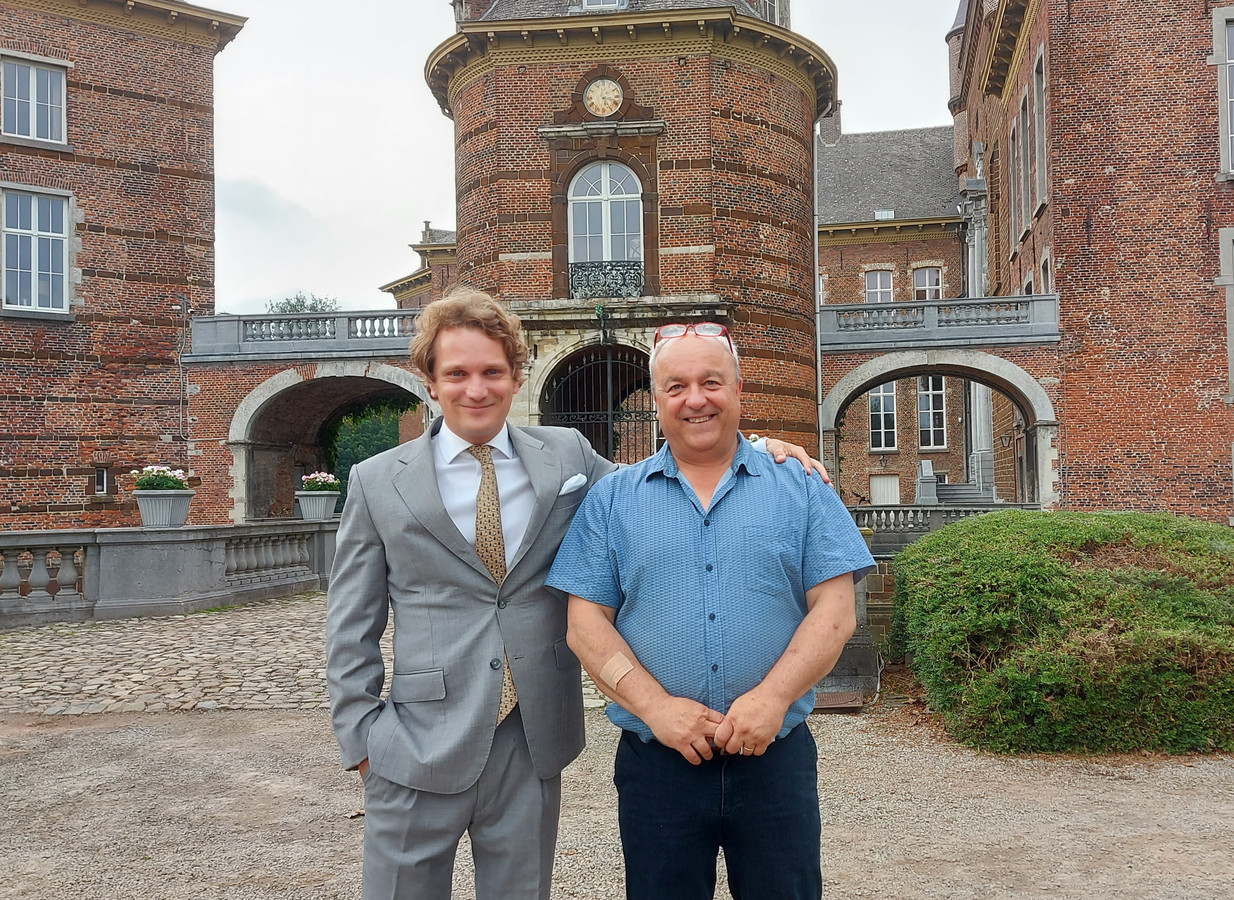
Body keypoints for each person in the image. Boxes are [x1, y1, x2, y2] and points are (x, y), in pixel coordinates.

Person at [324, 290, 826, 900]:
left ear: (517, 376)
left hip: (529, 738)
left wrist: (765, 451)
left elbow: (670, 479)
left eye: (492, 372)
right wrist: (363, 739)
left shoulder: (566, 457)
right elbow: (350, 623)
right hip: (412, 741)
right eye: (456, 374)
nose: (476, 389)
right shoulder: (378, 481)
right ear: (429, 381)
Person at [546, 321, 876, 900]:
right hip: (658, 768)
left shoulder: (800, 486)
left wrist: (773, 697)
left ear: (739, 390)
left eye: (711, 382)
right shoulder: (613, 499)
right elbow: (585, 624)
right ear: (655, 401)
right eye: (676, 386)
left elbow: (835, 609)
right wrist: (656, 709)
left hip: (774, 763)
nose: (695, 399)